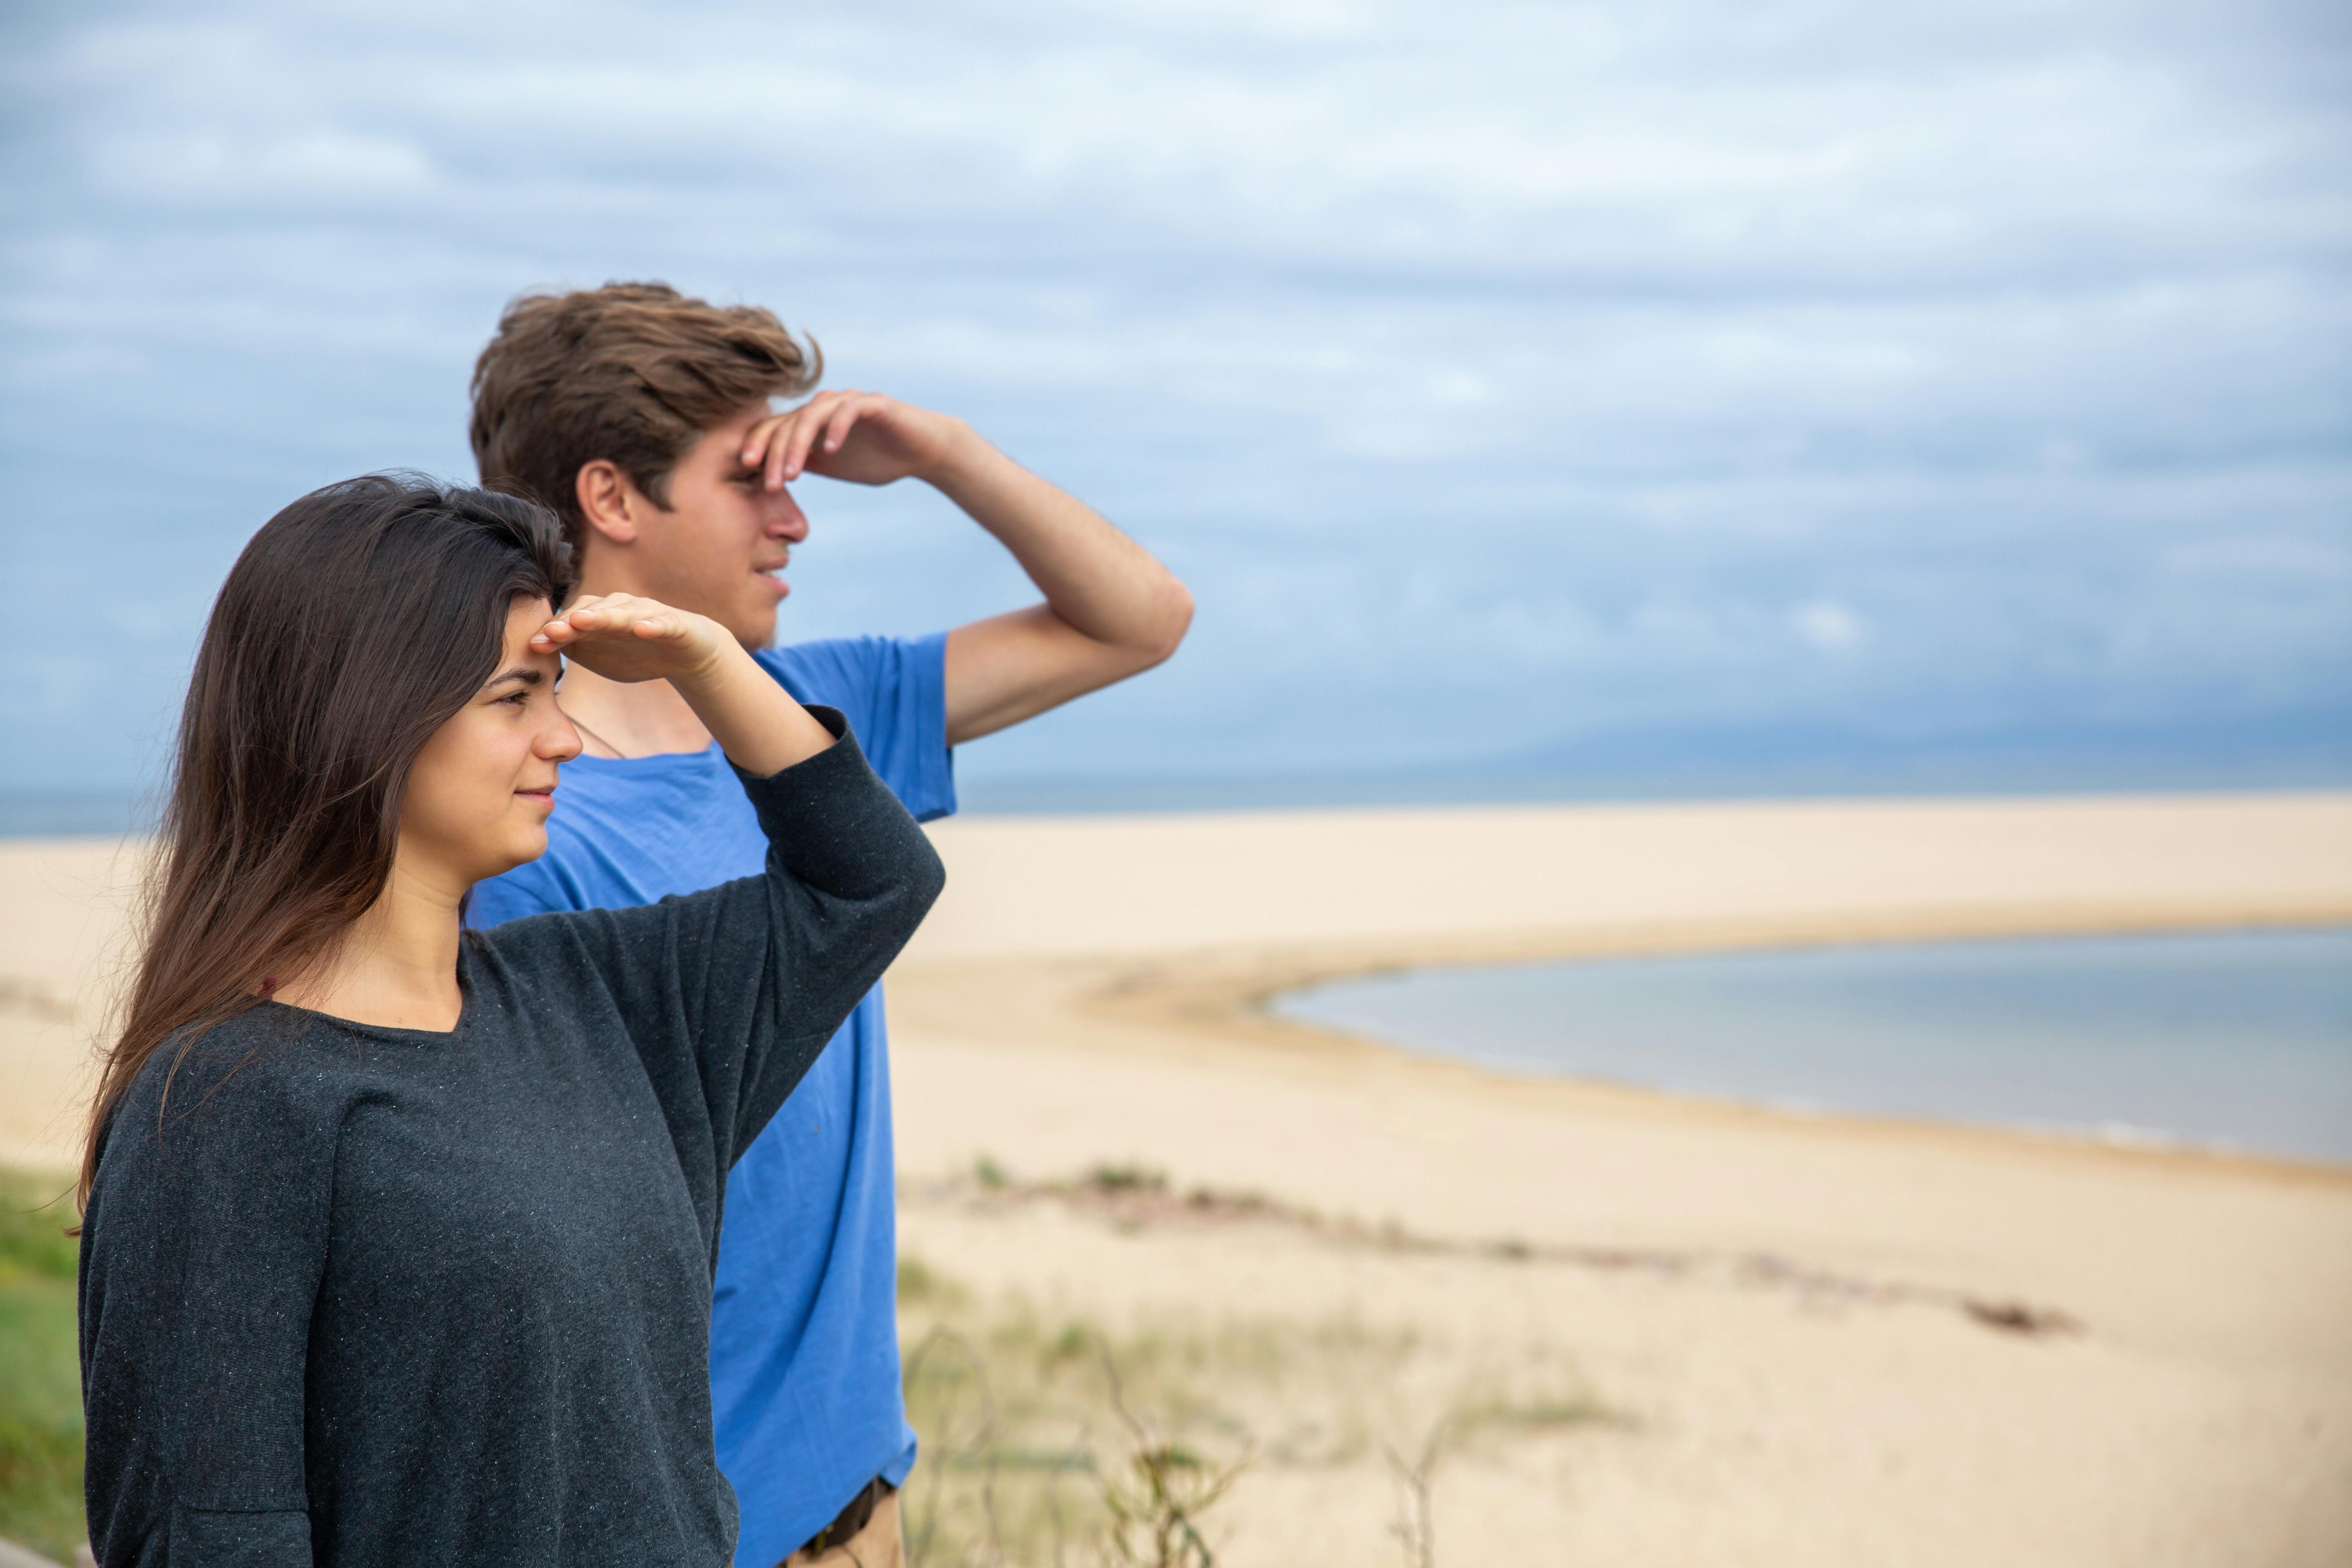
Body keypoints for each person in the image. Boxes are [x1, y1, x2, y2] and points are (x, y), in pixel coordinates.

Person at [77, 474, 945, 1566]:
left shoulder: (600, 995)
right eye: (515, 698)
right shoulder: (222, 1105)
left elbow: (872, 882)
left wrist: (708, 660)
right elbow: (207, 1539)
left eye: (559, 690)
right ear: (365, 721)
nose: (566, 739)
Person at [465, 283, 1192, 1566]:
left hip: (862, 1499)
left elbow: (1141, 619)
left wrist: (942, 454)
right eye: (753, 477)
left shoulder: (806, 711)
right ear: (613, 499)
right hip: (676, 1520)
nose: (796, 517)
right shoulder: (520, 821)